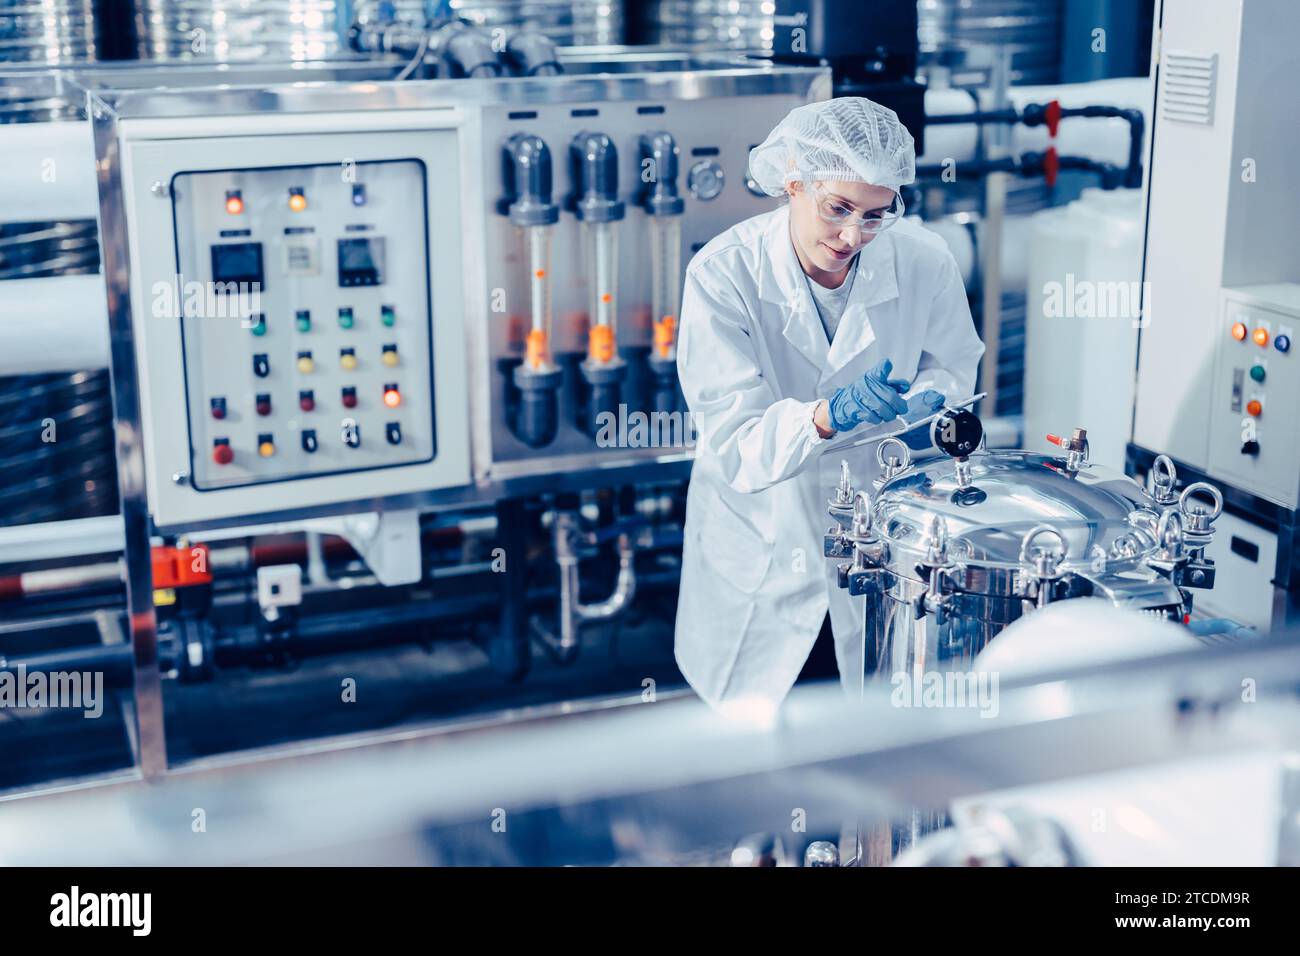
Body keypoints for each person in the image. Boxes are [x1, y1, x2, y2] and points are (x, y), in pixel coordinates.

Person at [673, 96, 984, 709]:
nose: (852, 236)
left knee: (869, 732)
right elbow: (734, 442)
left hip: (881, 545)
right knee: (757, 745)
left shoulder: (924, 260)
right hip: (762, 548)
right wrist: (825, 416)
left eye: (876, 214)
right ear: (794, 183)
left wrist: (930, 407)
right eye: (837, 208)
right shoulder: (723, 275)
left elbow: (955, 368)